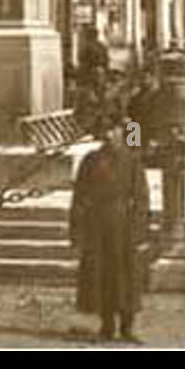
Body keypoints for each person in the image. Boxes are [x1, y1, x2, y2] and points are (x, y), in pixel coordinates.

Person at [69, 109, 150, 342]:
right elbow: (79, 198)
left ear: (121, 133)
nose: (108, 134)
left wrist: (139, 229)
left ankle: (128, 326)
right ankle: (107, 325)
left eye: (113, 130)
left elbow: (142, 198)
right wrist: (77, 230)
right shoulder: (90, 161)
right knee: (101, 274)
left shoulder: (132, 160)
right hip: (98, 226)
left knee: (127, 276)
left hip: (124, 226)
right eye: (104, 130)